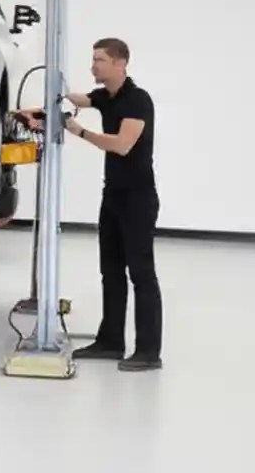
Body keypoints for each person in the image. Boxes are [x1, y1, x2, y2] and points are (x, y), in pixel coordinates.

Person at [62, 38, 162, 372]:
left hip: (138, 199)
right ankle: (110, 342)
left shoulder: (137, 100)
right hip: (113, 196)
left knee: (141, 274)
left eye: (99, 60)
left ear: (121, 63)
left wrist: (79, 132)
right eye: (93, 60)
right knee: (111, 272)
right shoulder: (106, 96)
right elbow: (81, 99)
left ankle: (149, 351)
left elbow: (121, 145)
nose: (93, 66)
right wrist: (55, 96)